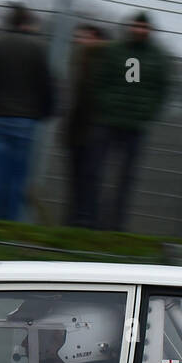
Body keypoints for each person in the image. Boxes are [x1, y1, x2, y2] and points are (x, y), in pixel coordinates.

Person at [0, 3, 56, 221]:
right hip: (25, 119)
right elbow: (47, 85)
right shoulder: (37, 49)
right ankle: (12, 224)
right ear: (26, 24)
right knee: (18, 177)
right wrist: (45, 112)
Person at [89, 11, 171, 231]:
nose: (139, 31)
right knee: (96, 171)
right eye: (136, 26)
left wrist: (147, 112)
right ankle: (92, 220)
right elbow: (101, 80)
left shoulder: (158, 58)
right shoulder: (115, 52)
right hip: (108, 120)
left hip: (136, 125)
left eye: (144, 27)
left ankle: (115, 225)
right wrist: (106, 104)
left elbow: (163, 89)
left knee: (126, 179)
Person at [63, 23, 106, 228]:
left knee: (89, 177)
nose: (78, 41)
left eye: (83, 37)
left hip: (94, 130)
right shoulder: (78, 61)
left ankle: (86, 220)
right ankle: (76, 219)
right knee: (77, 178)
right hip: (78, 129)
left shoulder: (101, 62)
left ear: (96, 38)